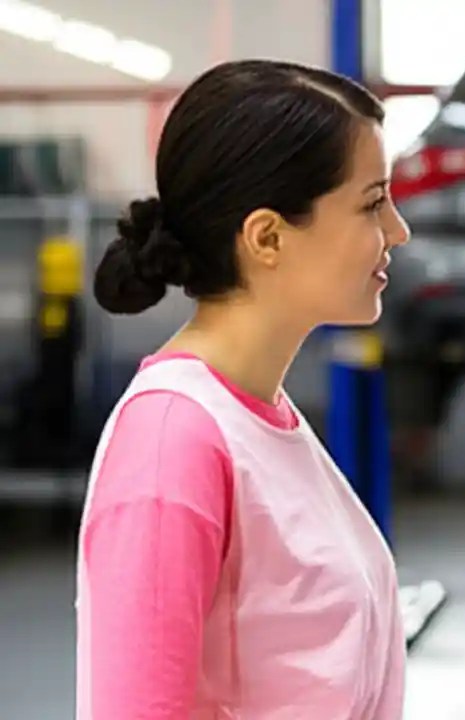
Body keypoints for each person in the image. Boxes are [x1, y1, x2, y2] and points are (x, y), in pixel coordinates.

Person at [75, 59, 410, 719]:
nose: (398, 230)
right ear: (267, 236)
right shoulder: (174, 439)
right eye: (373, 203)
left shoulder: (264, 420)